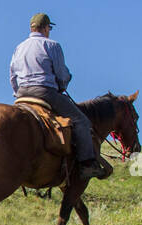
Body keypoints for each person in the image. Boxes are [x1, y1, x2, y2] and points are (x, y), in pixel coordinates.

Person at [9, 12, 110, 181]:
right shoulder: (52, 45)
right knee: (82, 121)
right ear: (46, 28)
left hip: (22, 94)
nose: (49, 30)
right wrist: (64, 83)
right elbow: (61, 74)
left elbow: (12, 76)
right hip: (45, 93)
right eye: (49, 27)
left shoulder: (19, 47)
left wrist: (17, 93)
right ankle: (87, 165)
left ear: (32, 28)